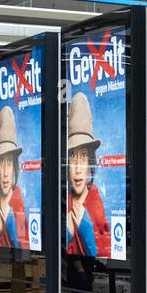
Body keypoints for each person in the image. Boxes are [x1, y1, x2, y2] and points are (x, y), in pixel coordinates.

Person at [64, 92, 110, 258]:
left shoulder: (95, 202)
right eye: (72, 155)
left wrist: (84, 226)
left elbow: (103, 255)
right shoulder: (67, 199)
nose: (77, 168)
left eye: (83, 155)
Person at [0, 105, 28, 250]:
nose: (5, 172)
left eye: (9, 162)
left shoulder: (18, 201)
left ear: (15, 167)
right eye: (1, 161)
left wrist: (8, 222)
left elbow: (23, 246)